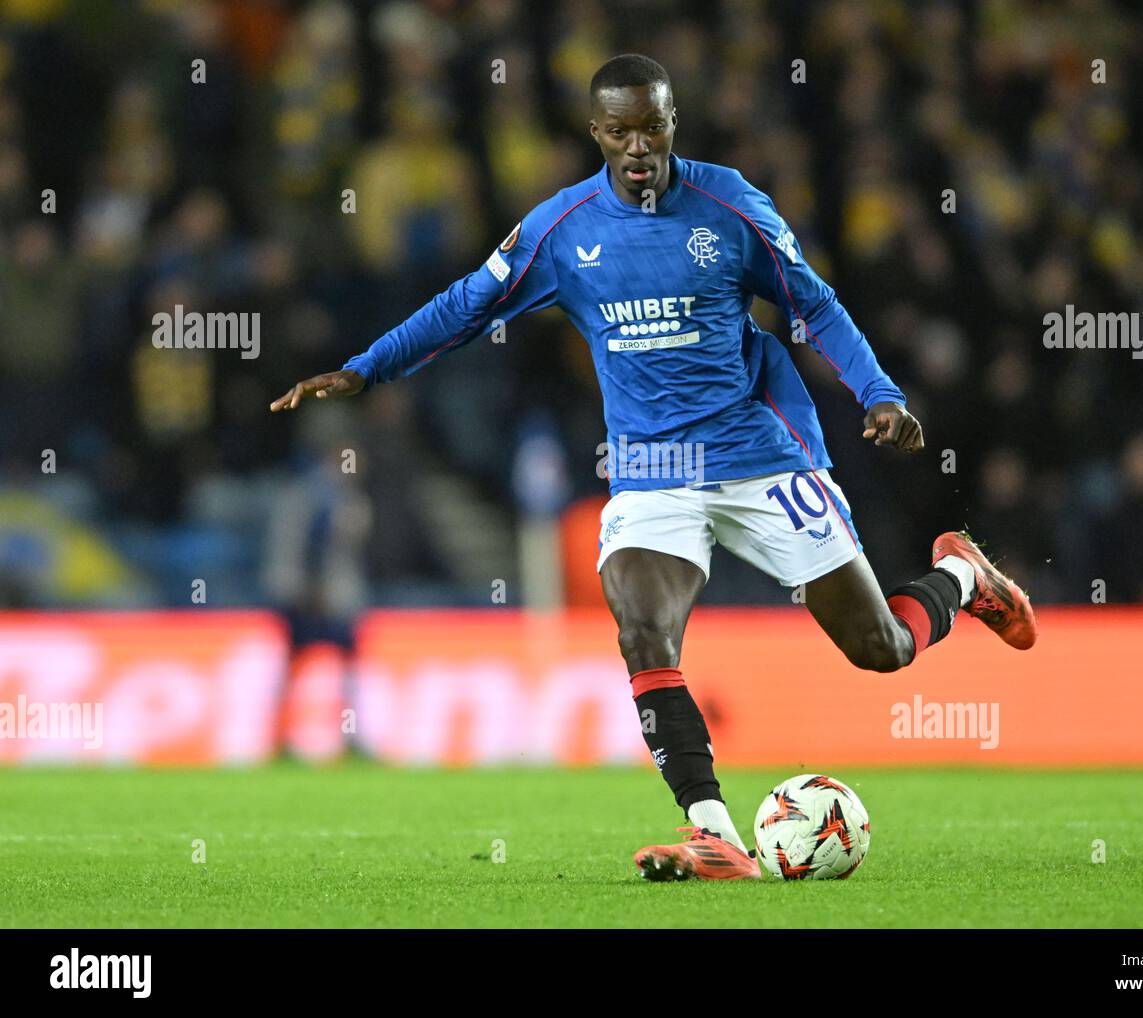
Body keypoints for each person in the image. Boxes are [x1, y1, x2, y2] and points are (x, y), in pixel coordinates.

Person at [271, 54, 1037, 881]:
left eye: (654, 125)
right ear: (595, 131)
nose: (639, 145)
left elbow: (812, 302)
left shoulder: (729, 204)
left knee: (880, 649)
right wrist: (367, 367)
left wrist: (877, 393)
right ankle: (714, 835)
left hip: (760, 452)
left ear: (674, 122)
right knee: (642, 626)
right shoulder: (561, 230)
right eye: (621, 129)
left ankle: (961, 578)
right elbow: (467, 305)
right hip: (652, 471)